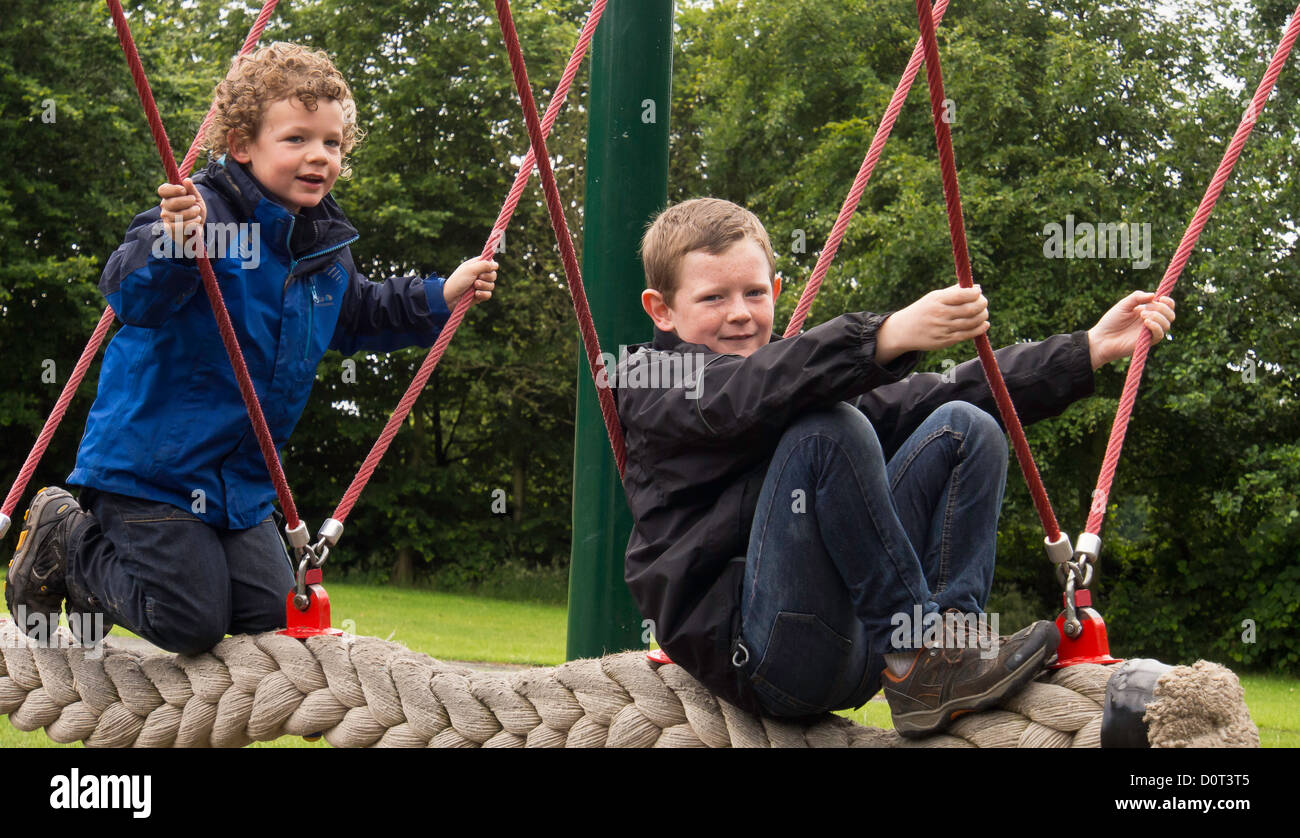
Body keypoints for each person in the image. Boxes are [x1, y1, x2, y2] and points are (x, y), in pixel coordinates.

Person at [5, 42, 499, 655]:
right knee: (189, 619)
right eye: (296, 139)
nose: (319, 156)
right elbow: (131, 294)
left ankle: (111, 579)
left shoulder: (321, 245)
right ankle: (66, 539)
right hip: (151, 469)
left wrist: (439, 294)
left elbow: (357, 314)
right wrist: (175, 243)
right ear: (242, 145)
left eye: (333, 143)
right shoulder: (199, 212)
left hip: (240, 487)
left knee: (277, 619)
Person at [614, 197, 1174, 737]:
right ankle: (919, 656)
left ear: (777, 291)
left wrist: (1087, 350)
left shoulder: (791, 378)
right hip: (763, 657)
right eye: (714, 298)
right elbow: (733, 396)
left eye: (754, 292)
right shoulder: (648, 382)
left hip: (854, 648)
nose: (739, 313)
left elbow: (934, 394)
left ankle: (947, 651)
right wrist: (882, 335)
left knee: (964, 423)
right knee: (828, 430)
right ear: (662, 309)